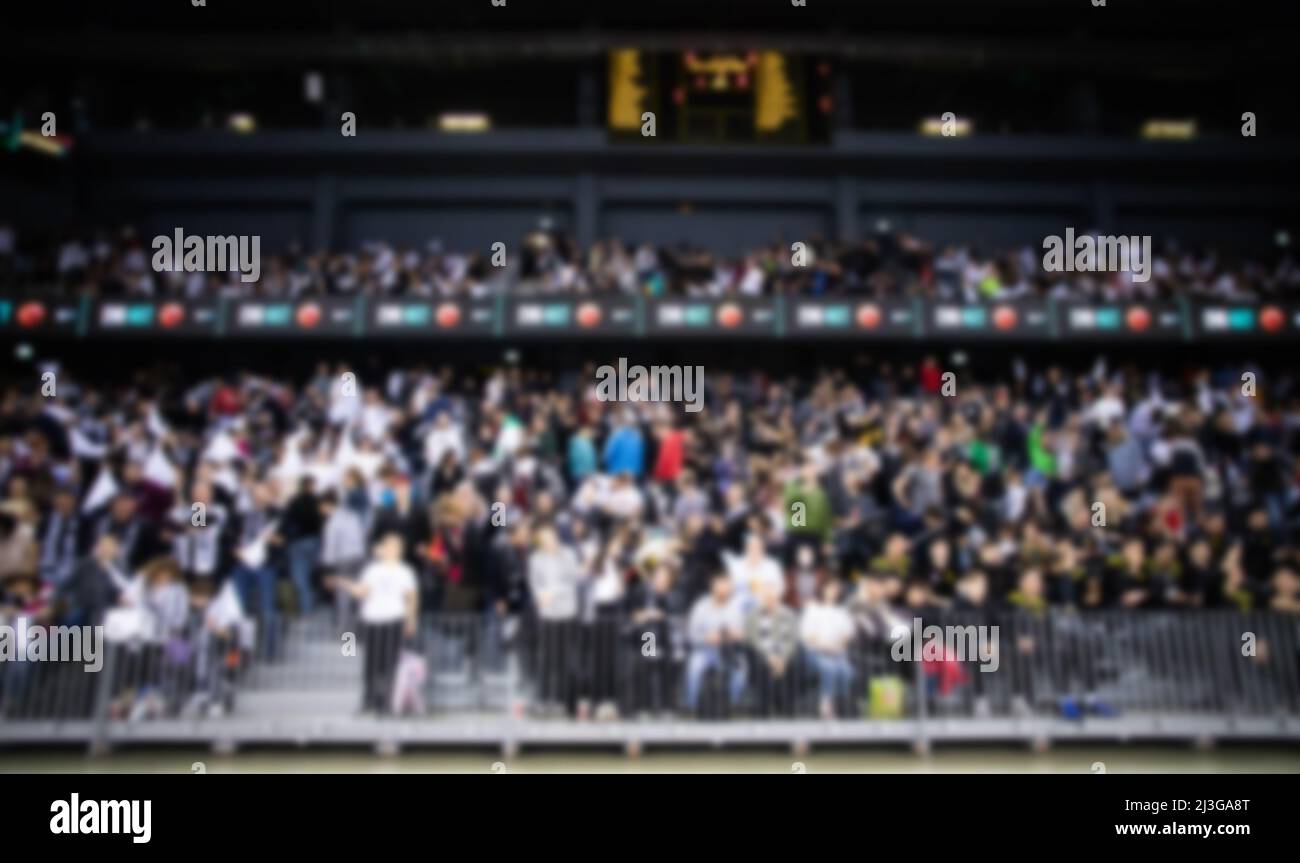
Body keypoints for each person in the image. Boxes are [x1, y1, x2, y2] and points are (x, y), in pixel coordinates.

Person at [329, 532, 419, 716]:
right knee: (372, 662)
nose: (392, 551)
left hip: (393, 618)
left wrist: (411, 619)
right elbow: (362, 591)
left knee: (389, 662)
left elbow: (411, 597)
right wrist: (344, 583)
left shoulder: (405, 572)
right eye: (389, 547)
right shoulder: (373, 570)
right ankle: (369, 699)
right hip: (372, 619)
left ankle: (385, 700)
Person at [527, 524, 582, 715]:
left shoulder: (568, 555)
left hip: (566, 612)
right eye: (544, 539)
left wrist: (553, 593)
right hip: (547, 614)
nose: (548, 542)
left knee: (565, 659)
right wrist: (542, 596)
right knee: (547, 659)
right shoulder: (535, 559)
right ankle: (544, 700)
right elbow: (535, 583)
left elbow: (572, 580)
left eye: (550, 537)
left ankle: (565, 701)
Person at [683, 573, 746, 715]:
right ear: (713, 587)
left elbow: (743, 635)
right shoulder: (701, 606)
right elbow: (691, 635)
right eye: (721, 587)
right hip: (705, 650)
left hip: (728, 650)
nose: (724, 590)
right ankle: (692, 707)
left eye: (727, 587)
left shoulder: (736, 608)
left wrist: (736, 635)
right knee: (694, 667)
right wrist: (706, 638)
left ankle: (729, 705)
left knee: (740, 671)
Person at [799, 578, 855, 718]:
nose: (833, 592)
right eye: (830, 588)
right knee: (828, 667)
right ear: (823, 589)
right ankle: (826, 703)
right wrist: (824, 646)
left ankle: (841, 704)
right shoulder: (812, 608)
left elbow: (847, 635)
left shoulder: (842, 611)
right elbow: (807, 634)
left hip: (837, 652)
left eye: (835, 589)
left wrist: (838, 646)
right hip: (815, 651)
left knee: (847, 670)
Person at [744, 580, 798, 717]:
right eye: (767, 596)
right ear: (762, 597)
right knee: (762, 665)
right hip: (761, 654)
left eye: (773, 596)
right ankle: (764, 710)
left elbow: (793, 640)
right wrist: (769, 657)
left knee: (793, 663)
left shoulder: (789, 614)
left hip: (784, 654)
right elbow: (751, 639)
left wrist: (783, 659)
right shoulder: (752, 615)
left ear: (778, 596)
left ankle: (787, 709)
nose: (770, 599)